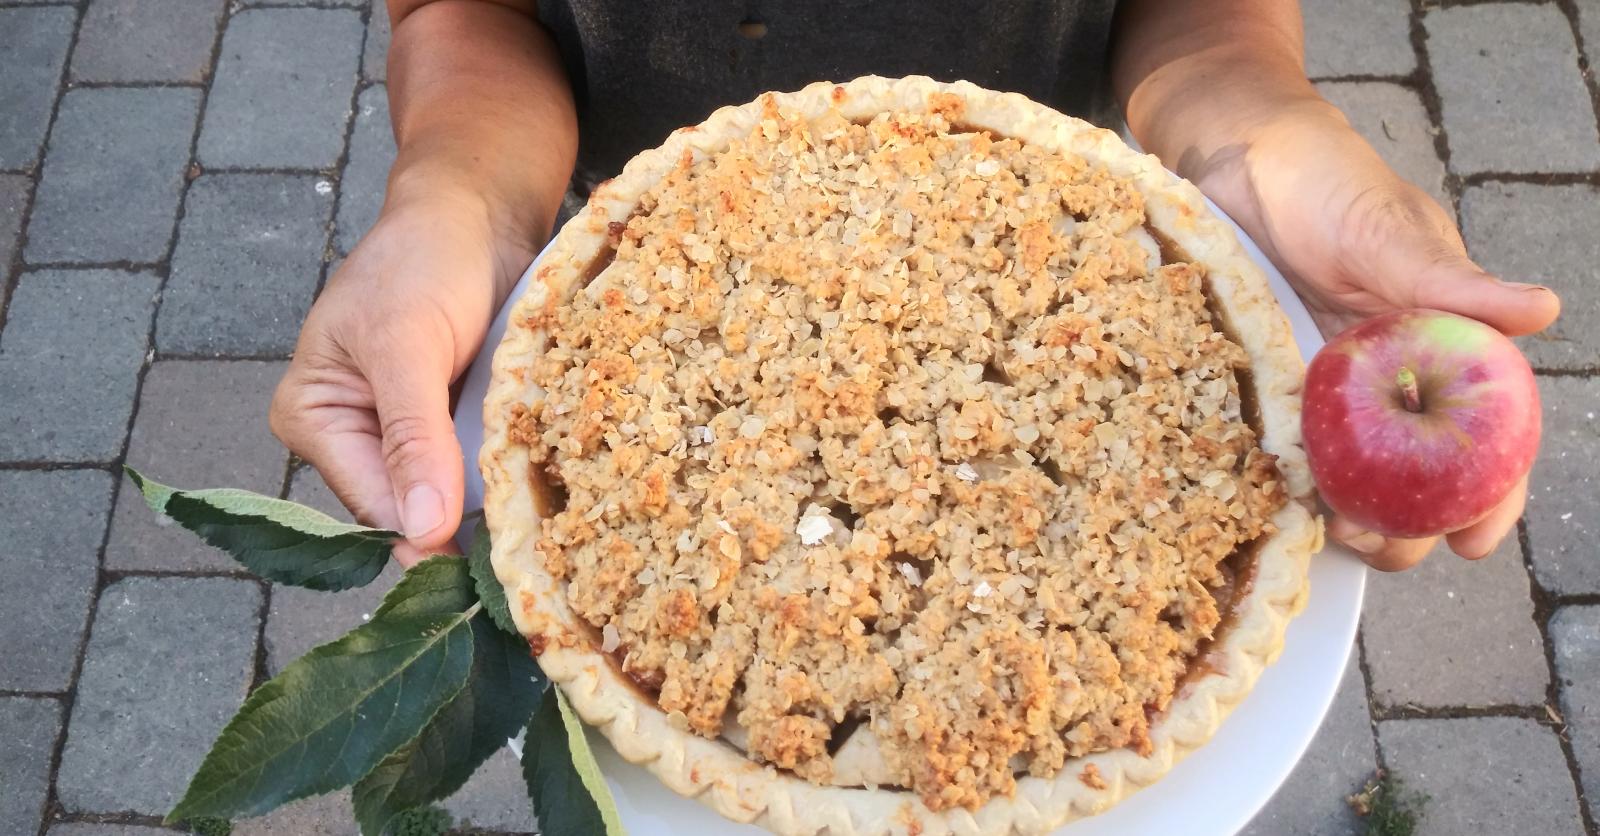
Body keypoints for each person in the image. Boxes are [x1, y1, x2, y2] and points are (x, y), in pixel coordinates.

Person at [270, 0, 1560, 573]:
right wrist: (458, 202)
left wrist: (1258, 142)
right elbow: (465, 13)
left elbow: (1208, 21)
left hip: (1059, 280)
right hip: (661, 295)